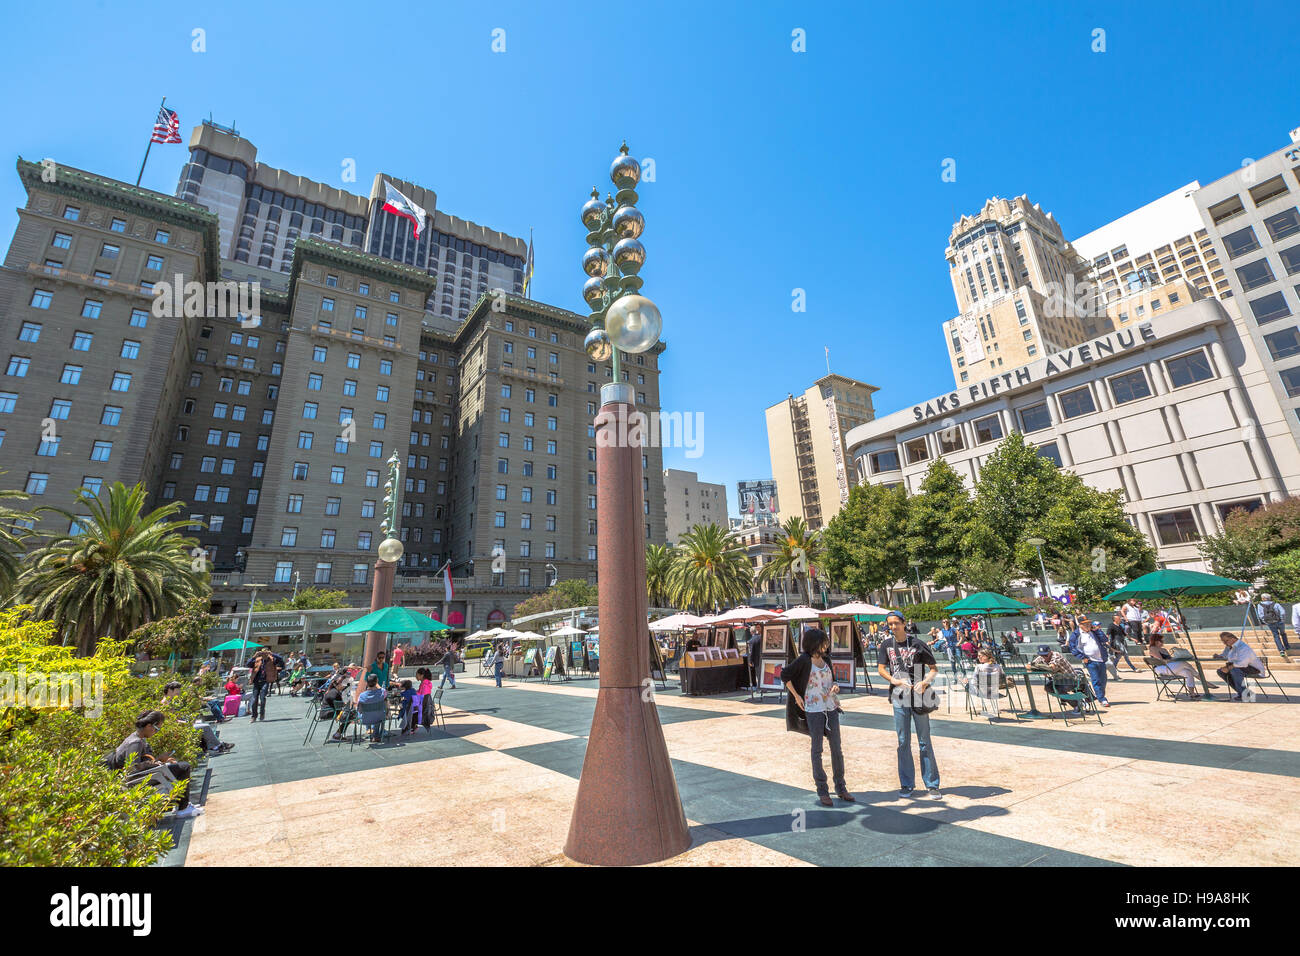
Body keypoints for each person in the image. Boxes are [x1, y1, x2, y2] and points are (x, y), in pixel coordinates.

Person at [783, 628, 852, 807]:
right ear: (815, 643)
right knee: (817, 750)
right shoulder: (804, 661)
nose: (827, 644)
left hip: (831, 707)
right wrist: (797, 696)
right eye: (824, 641)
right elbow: (785, 675)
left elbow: (832, 680)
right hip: (813, 709)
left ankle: (841, 787)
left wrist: (835, 686)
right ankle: (822, 789)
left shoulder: (827, 659)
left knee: (837, 748)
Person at [877, 610, 941, 799]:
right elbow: (881, 668)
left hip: (919, 696)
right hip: (898, 696)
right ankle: (907, 783)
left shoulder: (917, 644)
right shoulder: (886, 645)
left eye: (896, 623)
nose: (893, 627)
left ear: (904, 623)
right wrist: (893, 680)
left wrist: (925, 682)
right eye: (890, 624)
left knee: (924, 741)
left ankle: (932, 783)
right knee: (903, 741)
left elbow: (933, 669)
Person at [104, 710, 203, 819]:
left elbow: (141, 764)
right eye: (157, 729)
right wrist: (158, 763)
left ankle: (182, 805)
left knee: (180, 767)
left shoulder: (138, 738)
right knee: (184, 767)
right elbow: (133, 768)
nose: (156, 732)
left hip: (140, 776)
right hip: (135, 781)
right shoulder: (135, 742)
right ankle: (183, 808)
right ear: (149, 726)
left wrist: (159, 761)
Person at [161, 681, 233, 755]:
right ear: (170, 690)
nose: (178, 694)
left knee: (202, 725)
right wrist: (186, 723)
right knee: (205, 727)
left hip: (182, 725)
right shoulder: (166, 704)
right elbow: (171, 721)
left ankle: (216, 746)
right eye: (177, 693)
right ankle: (217, 746)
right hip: (179, 728)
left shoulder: (170, 701)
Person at [1068, 613, 1111, 709]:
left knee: (1103, 679)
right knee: (1096, 680)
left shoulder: (1094, 632)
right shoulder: (1076, 635)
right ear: (1080, 625)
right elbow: (1072, 648)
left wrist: (1097, 630)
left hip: (1101, 659)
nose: (1088, 625)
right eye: (1085, 624)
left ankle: (1099, 695)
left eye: (1089, 623)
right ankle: (1102, 698)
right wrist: (1083, 657)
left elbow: (1104, 639)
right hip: (1090, 661)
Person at [1030, 642, 1084, 716]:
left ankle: (1077, 705)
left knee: (1058, 689)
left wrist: (1040, 667)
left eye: (1046, 655)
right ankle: (1074, 701)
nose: (1044, 657)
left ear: (1050, 652)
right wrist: (1035, 667)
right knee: (1048, 688)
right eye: (1042, 655)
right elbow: (1029, 666)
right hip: (1059, 680)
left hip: (1071, 680)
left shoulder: (1056, 655)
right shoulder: (1042, 657)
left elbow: (1052, 667)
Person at [1213, 631, 1266, 702]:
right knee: (1220, 671)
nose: (1224, 643)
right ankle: (1244, 692)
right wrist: (1219, 656)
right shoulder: (1229, 647)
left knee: (1234, 670)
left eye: (1226, 641)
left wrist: (1228, 668)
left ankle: (1244, 694)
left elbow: (1242, 664)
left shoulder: (1243, 647)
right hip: (1241, 667)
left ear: (1233, 639)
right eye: (1223, 641)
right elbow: (1225, 655)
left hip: (1255, 669)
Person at [966, 647, 1002, 718]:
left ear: (986, 656)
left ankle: (972, 708)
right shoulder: (998, 666)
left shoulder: (979, 667)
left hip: (982, 692)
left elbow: (974, 681)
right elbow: (1002, 678)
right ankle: (994, 707)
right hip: (995, 692)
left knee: (966, 683)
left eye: (980, 656)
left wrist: (968, 682)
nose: (978, 657)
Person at [248, 647, 278, 722]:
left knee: (262, 698)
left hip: (265, 681)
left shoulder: (272, 660)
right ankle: (254, 716)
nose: (264, 654)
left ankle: (262, 714)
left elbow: (281, 660)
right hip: (256, 681)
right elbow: (248, 664)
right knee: (254, 699)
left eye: (265, 653)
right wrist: (255, 656)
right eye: (263, 653)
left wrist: (272, 654)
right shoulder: (257, 660)